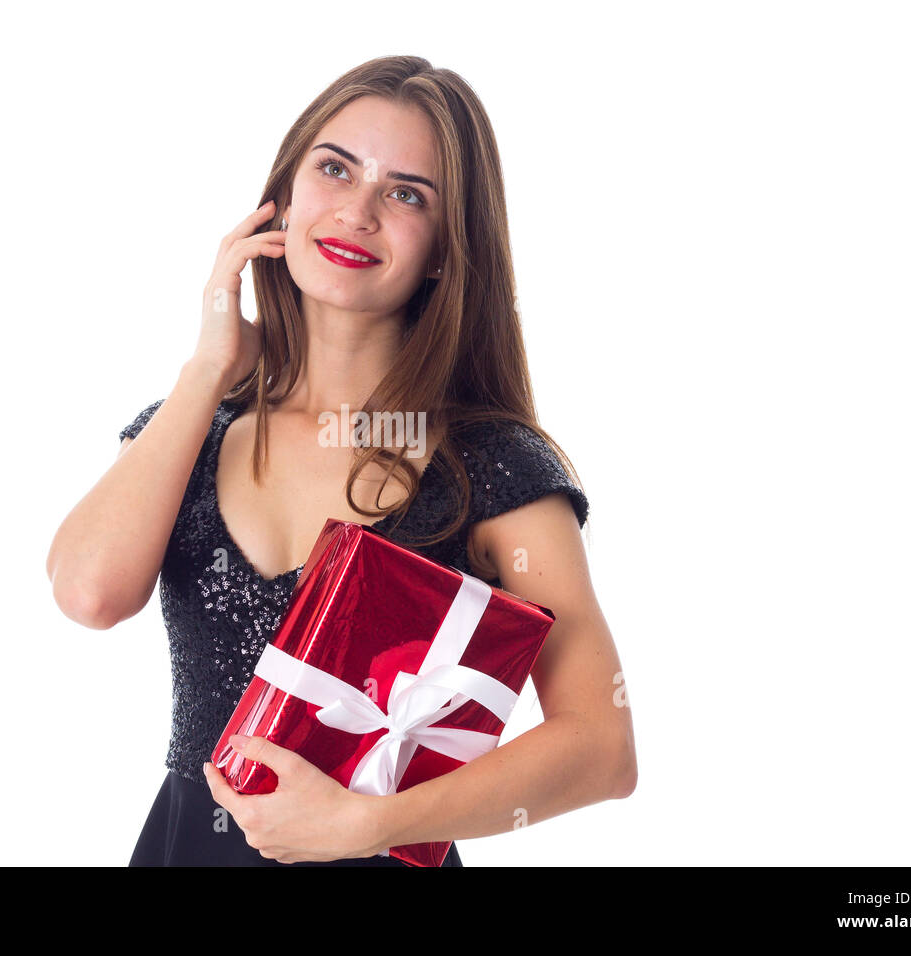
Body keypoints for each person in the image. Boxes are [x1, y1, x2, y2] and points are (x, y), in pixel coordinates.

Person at [46, 55, 637, 867]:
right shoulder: (191, 427)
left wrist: (371, 825)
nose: (357, 210)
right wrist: (207, 369)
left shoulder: (490, 464)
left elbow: (603, 750)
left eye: (406, 194)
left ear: (442, 250)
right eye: (335, 169)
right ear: (281, 201)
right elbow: (89, 594)